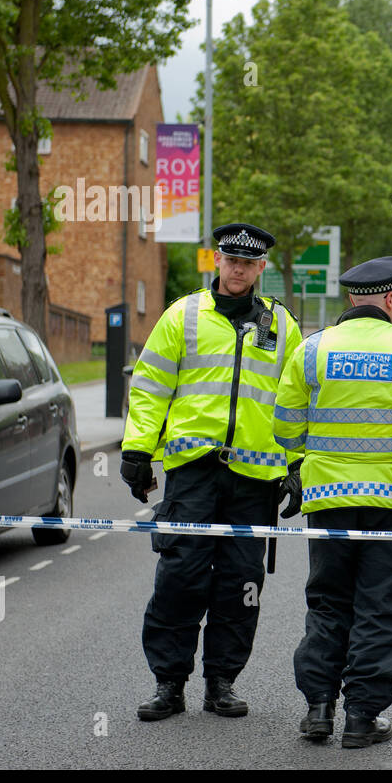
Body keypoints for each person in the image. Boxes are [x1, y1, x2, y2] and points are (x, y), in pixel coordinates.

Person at [120, 223, 303, 722]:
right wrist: (137, 450)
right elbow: (151, 384)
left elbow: (296, 401)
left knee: (241, 585)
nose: (239, 268)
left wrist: (296, 465)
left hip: (255, 479)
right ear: (216, 262)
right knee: (180, 576)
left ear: (261, 267)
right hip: (193, 473)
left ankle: (221, 682)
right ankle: (168, 683)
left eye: (249, 262)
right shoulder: (183, 315)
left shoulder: (283, 326)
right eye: (230, 259)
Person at [275, 256, 392, 748]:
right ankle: (360, 718)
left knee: (329, 602)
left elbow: (285, 427)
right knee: (380, 607)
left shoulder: (312, 350)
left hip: (327, 500)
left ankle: (317, 708)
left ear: (351, 300)